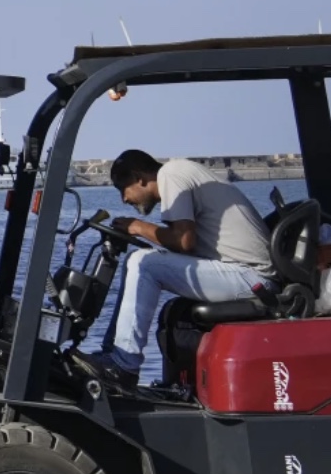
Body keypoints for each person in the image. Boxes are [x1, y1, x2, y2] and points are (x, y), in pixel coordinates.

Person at [99, 150, 275, 387]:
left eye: (123, 189)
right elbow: (184, 245)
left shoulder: (171, 174)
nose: (124, 199)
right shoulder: (180, 174)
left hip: (251, 277)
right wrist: (139, 230)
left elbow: (183, 241)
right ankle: (112, 353)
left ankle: (123, 365)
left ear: (139, 177)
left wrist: (138, 227)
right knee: (138, 261)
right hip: (241, 273)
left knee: (144, 264)